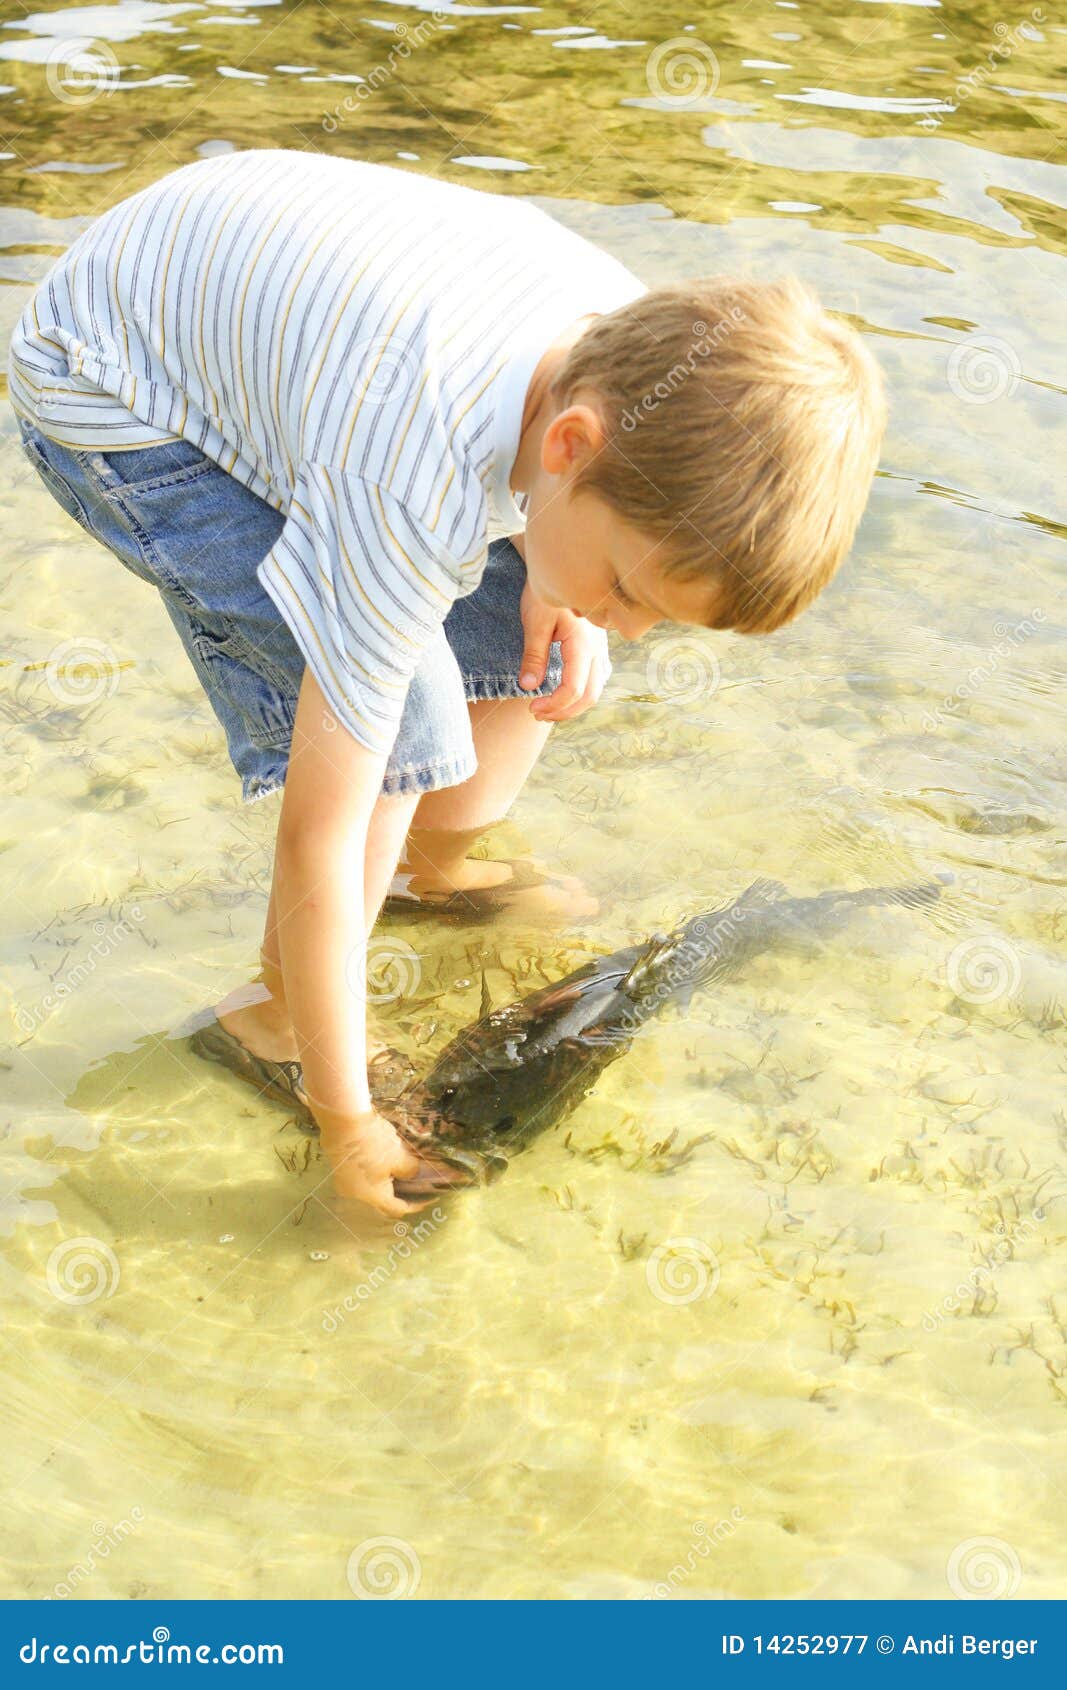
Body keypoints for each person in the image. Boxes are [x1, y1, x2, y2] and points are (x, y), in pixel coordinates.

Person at [8, 147, 887, 1219]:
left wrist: (570, 593)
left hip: (277, 334)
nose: (631, 628)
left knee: (532, 639)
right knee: (396, 737)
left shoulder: (645, 371)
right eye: (628, 589)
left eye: (656, 612)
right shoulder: (404, 480)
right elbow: (320, 834)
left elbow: (557, 514)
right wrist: (347, 1120)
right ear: (567, 445)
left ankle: (431, 872)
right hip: (112, 388)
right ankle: (272, 1020)